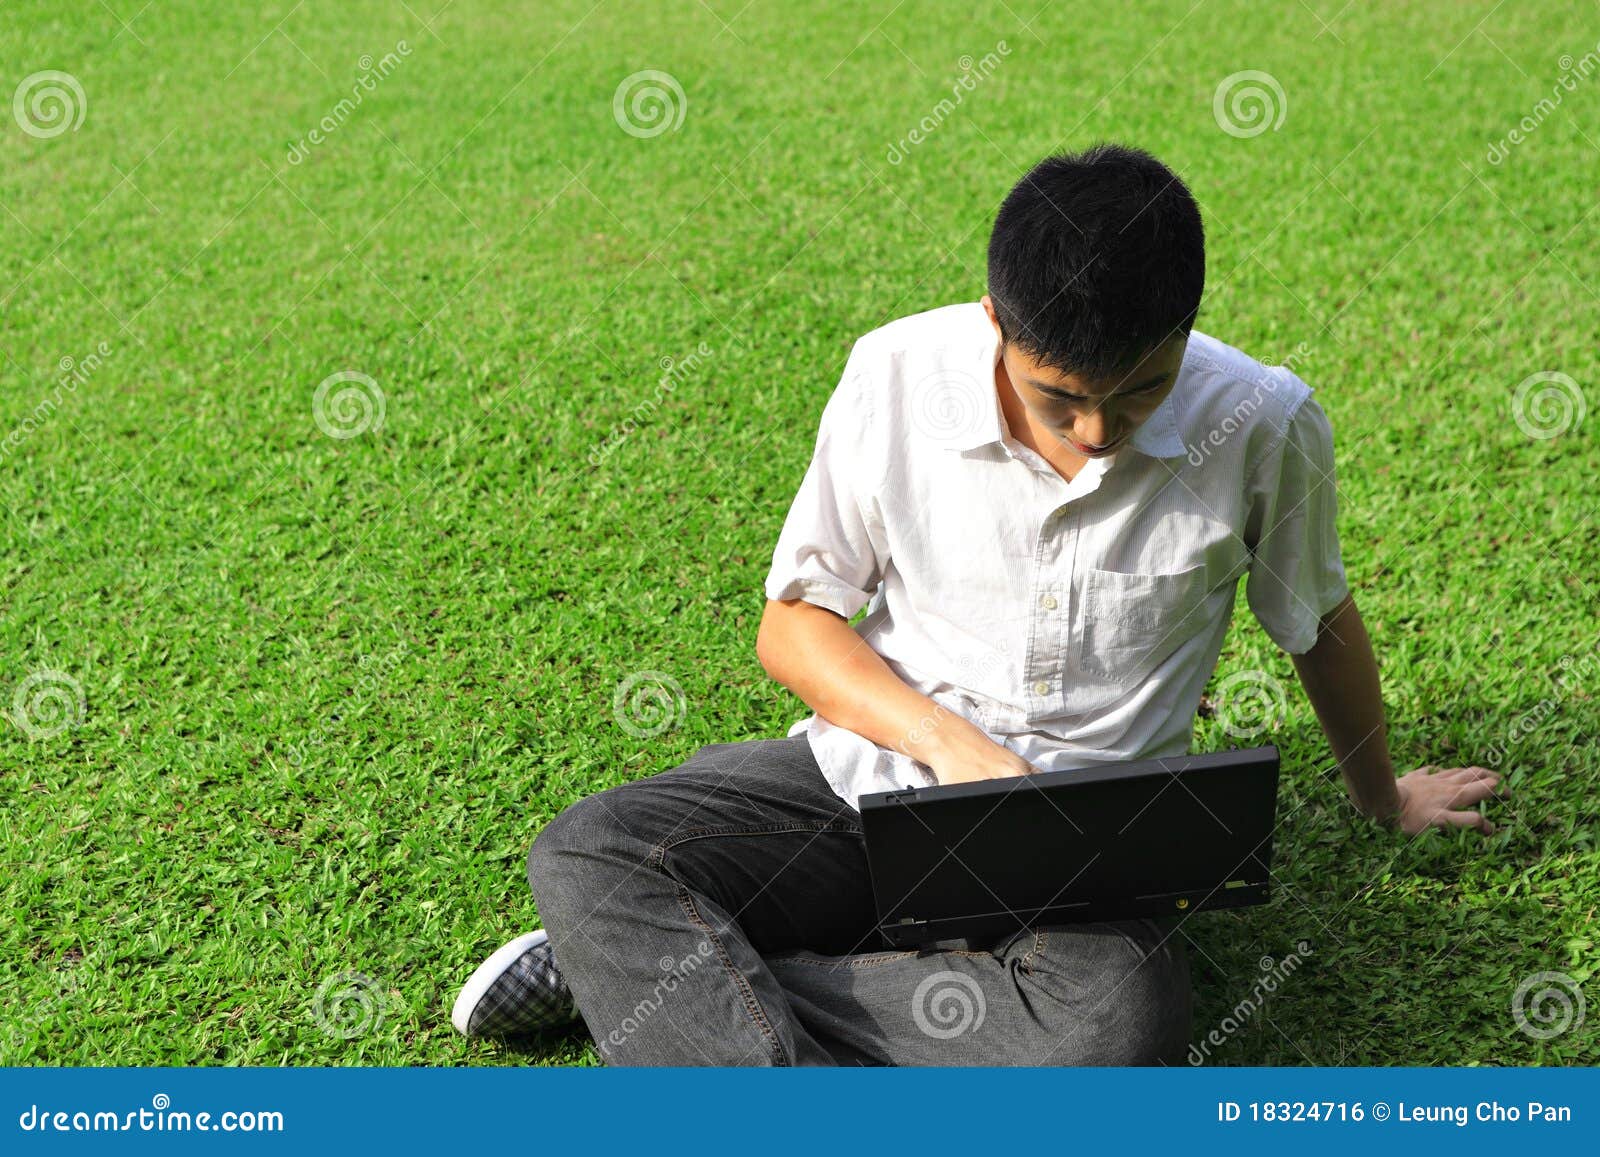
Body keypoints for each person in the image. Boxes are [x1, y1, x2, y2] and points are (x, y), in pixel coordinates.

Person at [449, 143, 1504, 1066]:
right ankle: (696, 986)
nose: (1098, 431)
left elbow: (1318, 621)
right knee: (592, 849)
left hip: (1086, 862)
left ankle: (678, 980)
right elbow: (795, 624)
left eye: (1139, 390)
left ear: (1186, 329)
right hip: (871, 791)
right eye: (1061, 397)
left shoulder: (1262, 421)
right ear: (995, 320)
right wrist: (947, 746)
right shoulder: (894, 373)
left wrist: (1383, 798)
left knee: (1117, 1029)